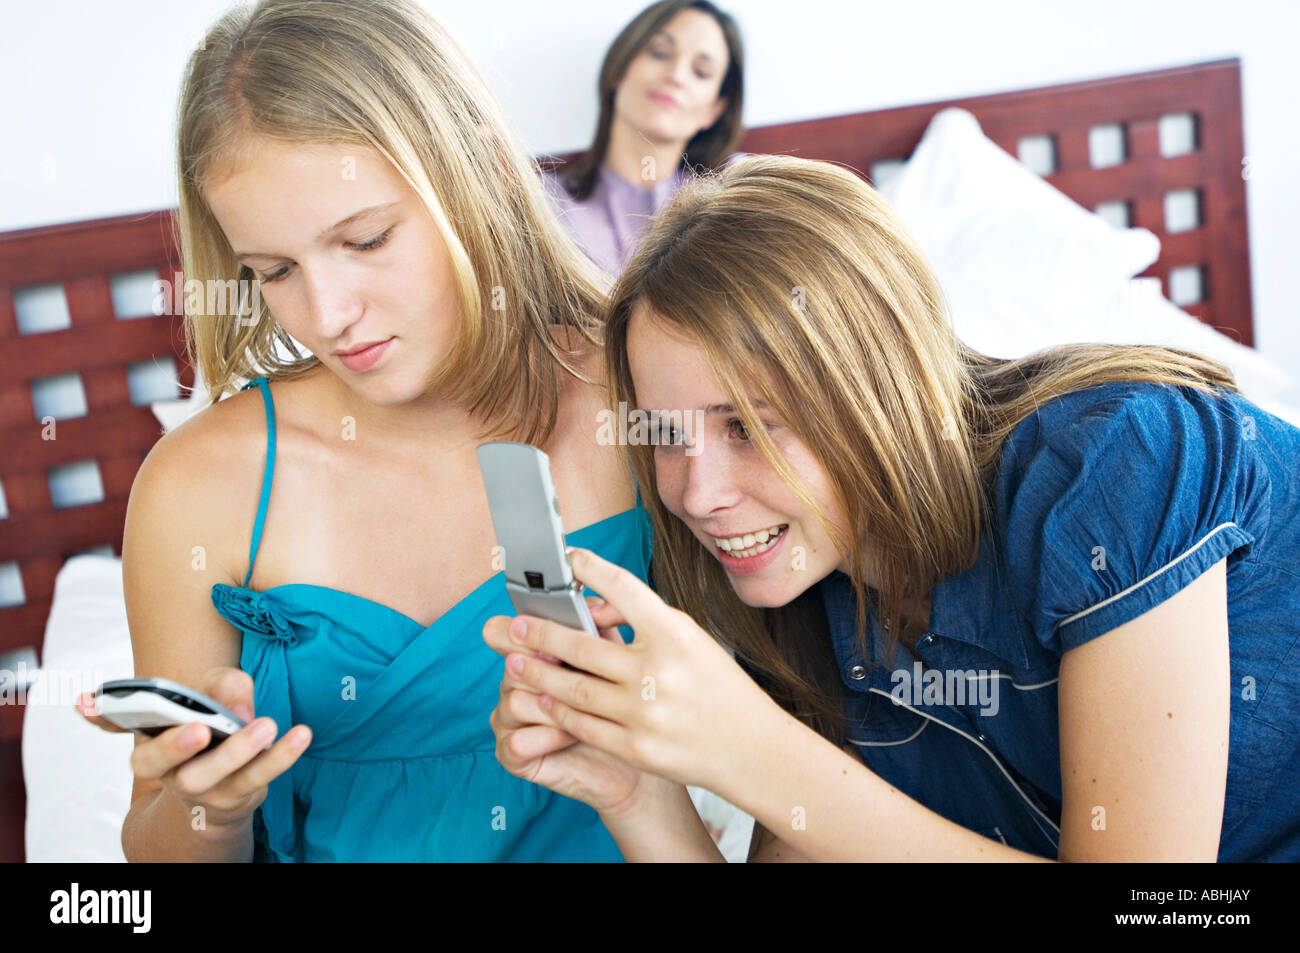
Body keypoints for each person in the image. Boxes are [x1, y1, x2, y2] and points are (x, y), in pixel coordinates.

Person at [483, 154, 1300, 861]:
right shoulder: (813, 618)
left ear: (877, 389)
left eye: (748, 427)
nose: (698, 493)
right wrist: (641, 796)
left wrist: (756, 752)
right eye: (666, 434)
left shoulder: (1120, 460)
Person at [74, 0, 653, 862]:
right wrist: (217, 807)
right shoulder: (201, 488)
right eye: (274, 271)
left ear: (481, 172)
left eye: (367, 239)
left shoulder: (643, 398)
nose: (329, 315)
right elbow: (161, 846)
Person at [541, 0, 745, 278]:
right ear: (619, 69)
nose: (676, 76)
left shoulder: (733, 190)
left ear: (714, 110)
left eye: (700, 72)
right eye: (660, 53)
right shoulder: (545, 202)